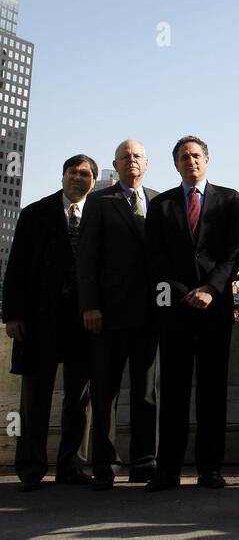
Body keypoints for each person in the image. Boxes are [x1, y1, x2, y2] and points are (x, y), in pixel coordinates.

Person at [144, 136, 239, 491]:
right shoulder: (161, 205)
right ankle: (167, 470)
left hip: (216, 310)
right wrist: (186, 292)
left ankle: (210, 468)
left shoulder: (229, 199)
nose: (191, 161)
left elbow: (235, 252)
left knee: (212, 391)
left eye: (196, 155)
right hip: (175, 310)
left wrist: (211, 289)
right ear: (176, 164)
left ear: (207, 159)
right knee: (172, 392)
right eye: (183, 157)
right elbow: (154, 257)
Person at [2, 154, 98, 491]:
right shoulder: (35, 214)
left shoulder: (99, 214)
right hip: (39, 320)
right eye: (72, 172)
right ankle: (31, 468)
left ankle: (71, 465)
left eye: (85, 173)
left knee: (79, 398)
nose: (77, 178)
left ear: (92, 180)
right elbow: (16, 267)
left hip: (83, 322)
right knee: (35, 398)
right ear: (62, 176)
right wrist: (12, 314)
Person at [77, 139, 159, 489]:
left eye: (137, 156)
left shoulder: (159, 200)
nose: (131, 161)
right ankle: (105, 464)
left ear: (146, 162)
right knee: (105, 392)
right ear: (116, 163)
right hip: (107, 315)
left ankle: (145, 461)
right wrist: (89, 305)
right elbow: (86, 258)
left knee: (146, 392)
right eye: (125, 157)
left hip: (150, 314)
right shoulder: (99, 202)